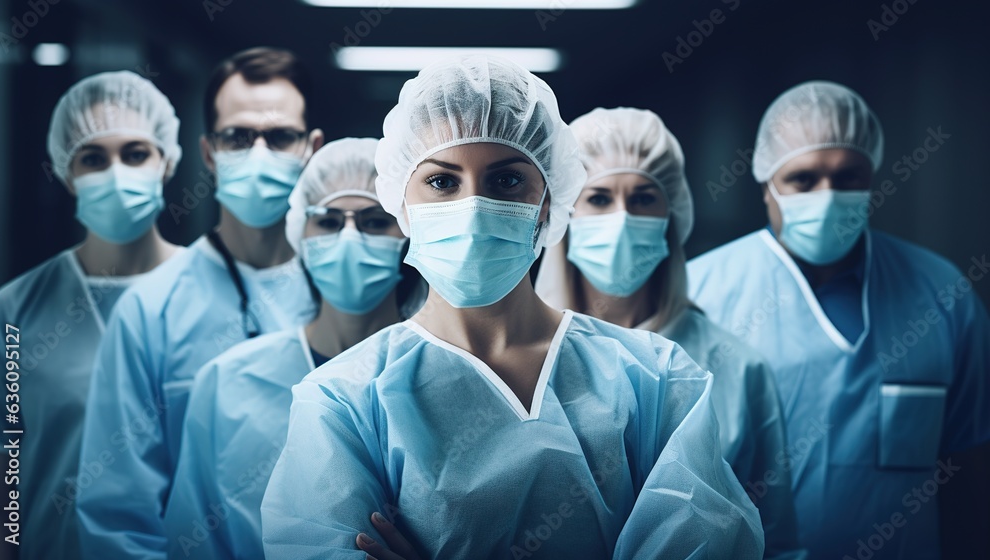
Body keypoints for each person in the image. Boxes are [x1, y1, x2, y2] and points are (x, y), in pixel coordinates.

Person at [260, 55, 764, 559]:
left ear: (547, 202)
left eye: (506, 181)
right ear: (401, 205)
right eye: (442, 181)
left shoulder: (655, 377)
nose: (474, 208)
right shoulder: (344, 399)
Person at [687, 81, 990, 559]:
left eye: (848, 177)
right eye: (803, 179)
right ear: (766, 186)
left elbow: (969, 462)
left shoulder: (942, 292)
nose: (827, 196)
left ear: (872, 178)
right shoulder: (700, 293)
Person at [76, 47, 322, 558]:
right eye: (238, 137)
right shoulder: (151, 310)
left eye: (280, 137)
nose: (259, 154)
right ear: (209, 153)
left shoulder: (353, 296)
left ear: (311, 149)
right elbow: (118, 517)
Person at [534, 106, 806, 560]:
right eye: (599, 198)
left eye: (643, 199)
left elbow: (775, 540)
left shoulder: (738, 368)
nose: (622, 218)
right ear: (563, 215)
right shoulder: (526, 361)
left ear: (671, 216)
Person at [164, 137, 425, 560]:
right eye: (328, 221)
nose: (349, 238)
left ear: (410, 235)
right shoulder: (227, 383)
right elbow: (192, 541)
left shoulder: (443, 376)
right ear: (300, 232)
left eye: (376, 222)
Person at [0, 71, 182, 560]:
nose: (116, 174)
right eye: (93, 158)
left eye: (135, 153)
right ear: (65, 171)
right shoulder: (13, 313)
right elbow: (0, 492)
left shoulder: (219, 296)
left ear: (166, 161)